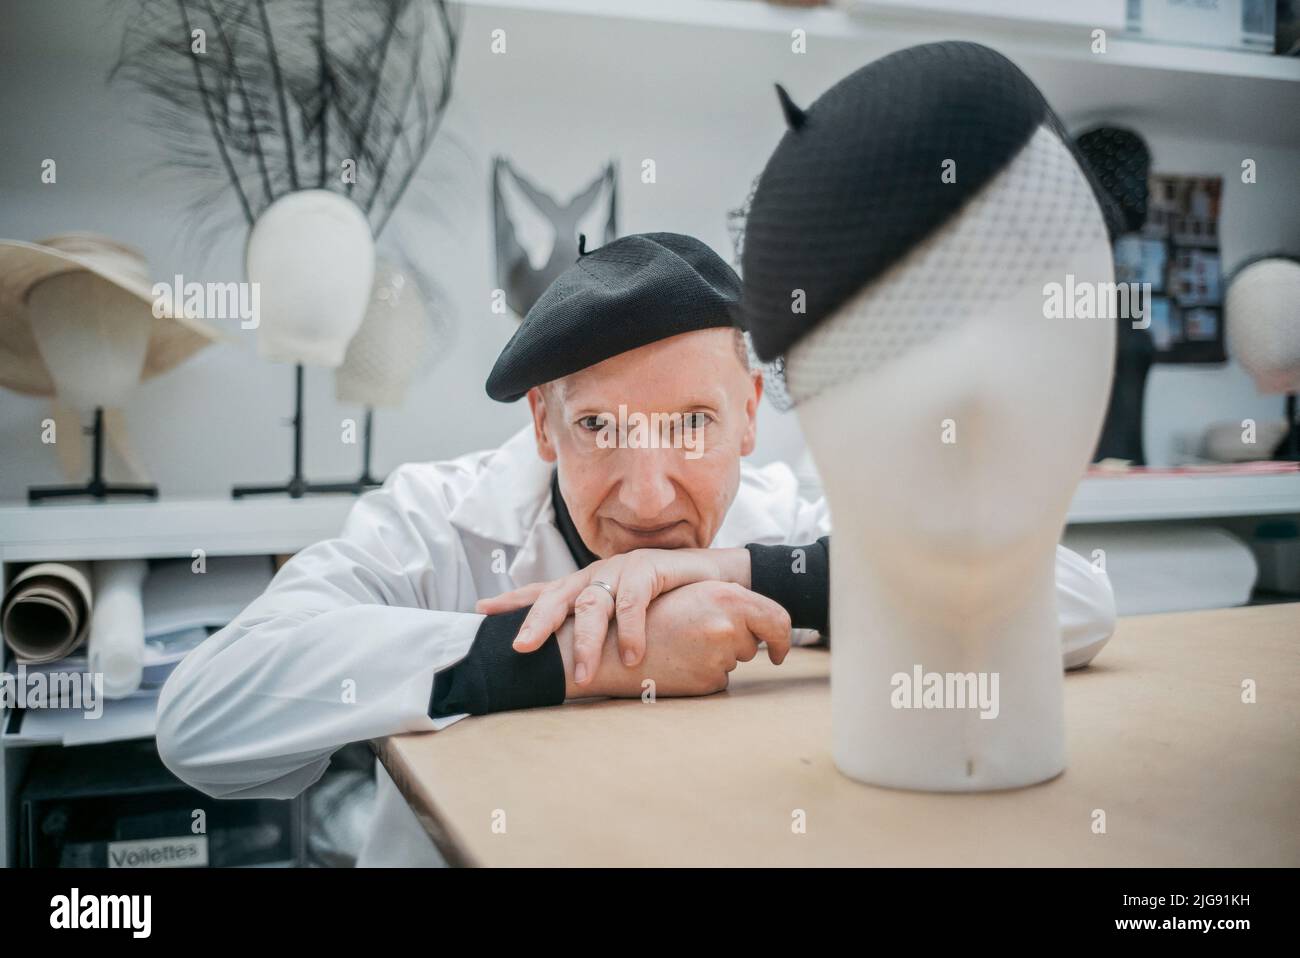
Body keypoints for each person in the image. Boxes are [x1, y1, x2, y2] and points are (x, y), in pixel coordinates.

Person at [156, 232, 1116, 866]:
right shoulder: (435, 521)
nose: (651, 495)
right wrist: (572, 658)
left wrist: (736, 571)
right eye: (600, 429)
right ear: (542, 425)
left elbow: (1070, 599)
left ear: (748, 414)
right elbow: (200, 720)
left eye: (694, 422)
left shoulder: (784, 511)